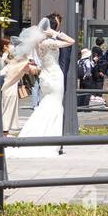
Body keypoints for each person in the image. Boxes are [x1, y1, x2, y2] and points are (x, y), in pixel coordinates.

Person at [9, 14, 76, 157]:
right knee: (56, 107)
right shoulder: (48, 42)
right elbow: (71, 41)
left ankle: (37, 135)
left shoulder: (39, 43)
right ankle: (51, 141)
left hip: (45, 76)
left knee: (46, 105)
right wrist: (57, 34)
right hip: (55, 76)